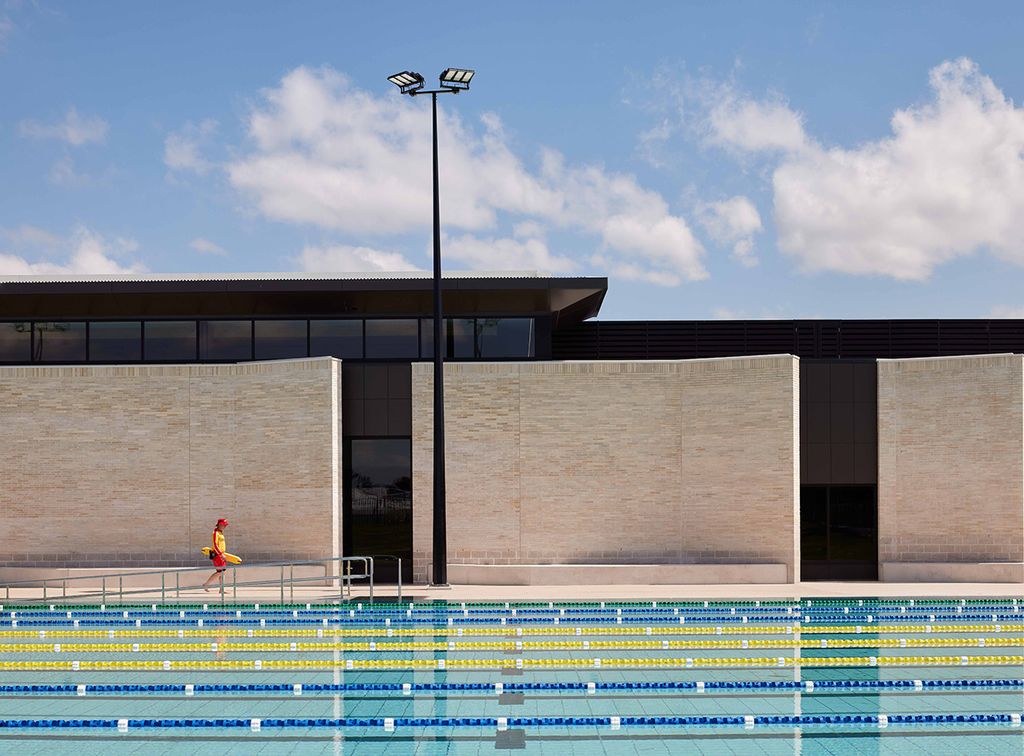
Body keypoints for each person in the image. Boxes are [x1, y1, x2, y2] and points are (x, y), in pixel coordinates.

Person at [202, 518, 229, 592]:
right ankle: (206, 584)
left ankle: (221, 589)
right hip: (218, 555)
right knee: (220, 572)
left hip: (221, 555)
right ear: (220, 524)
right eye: (224, 525)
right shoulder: (215, 533)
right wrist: (221, 554)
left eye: (225, 525)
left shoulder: (220, 532)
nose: (225, 527)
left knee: (223, 572)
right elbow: (215, 545)